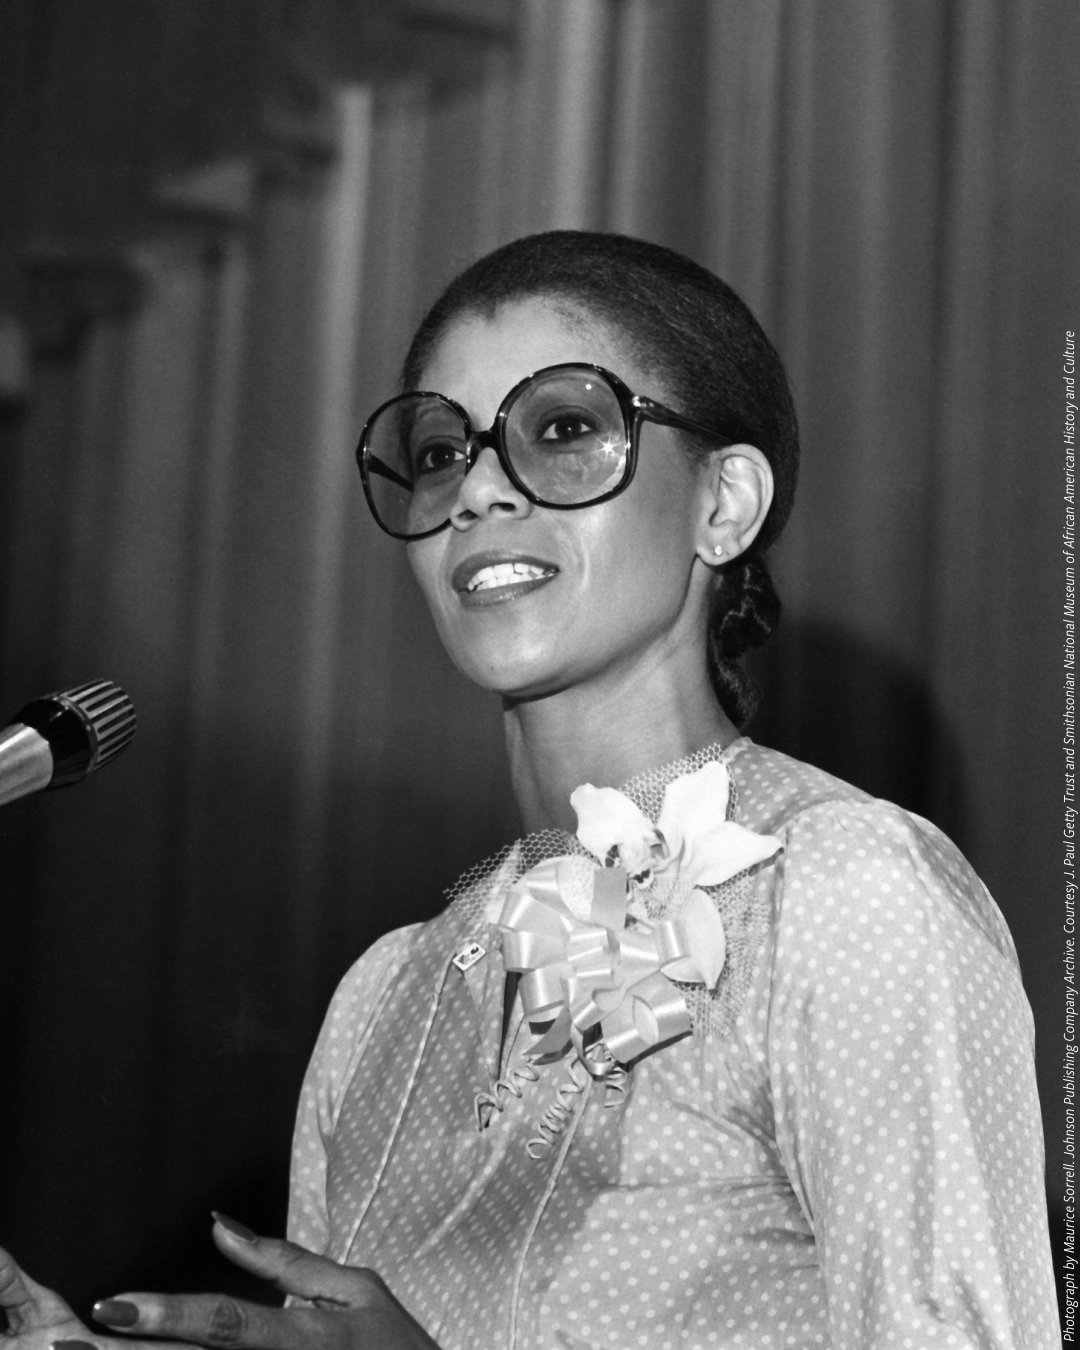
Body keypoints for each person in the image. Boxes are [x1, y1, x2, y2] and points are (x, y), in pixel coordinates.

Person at [0, 231, 1058, 1347]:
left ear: (724, 504)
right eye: (443, 452)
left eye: (562, 429)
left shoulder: (846, 888)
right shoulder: (381, 1007)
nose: (480, 493)